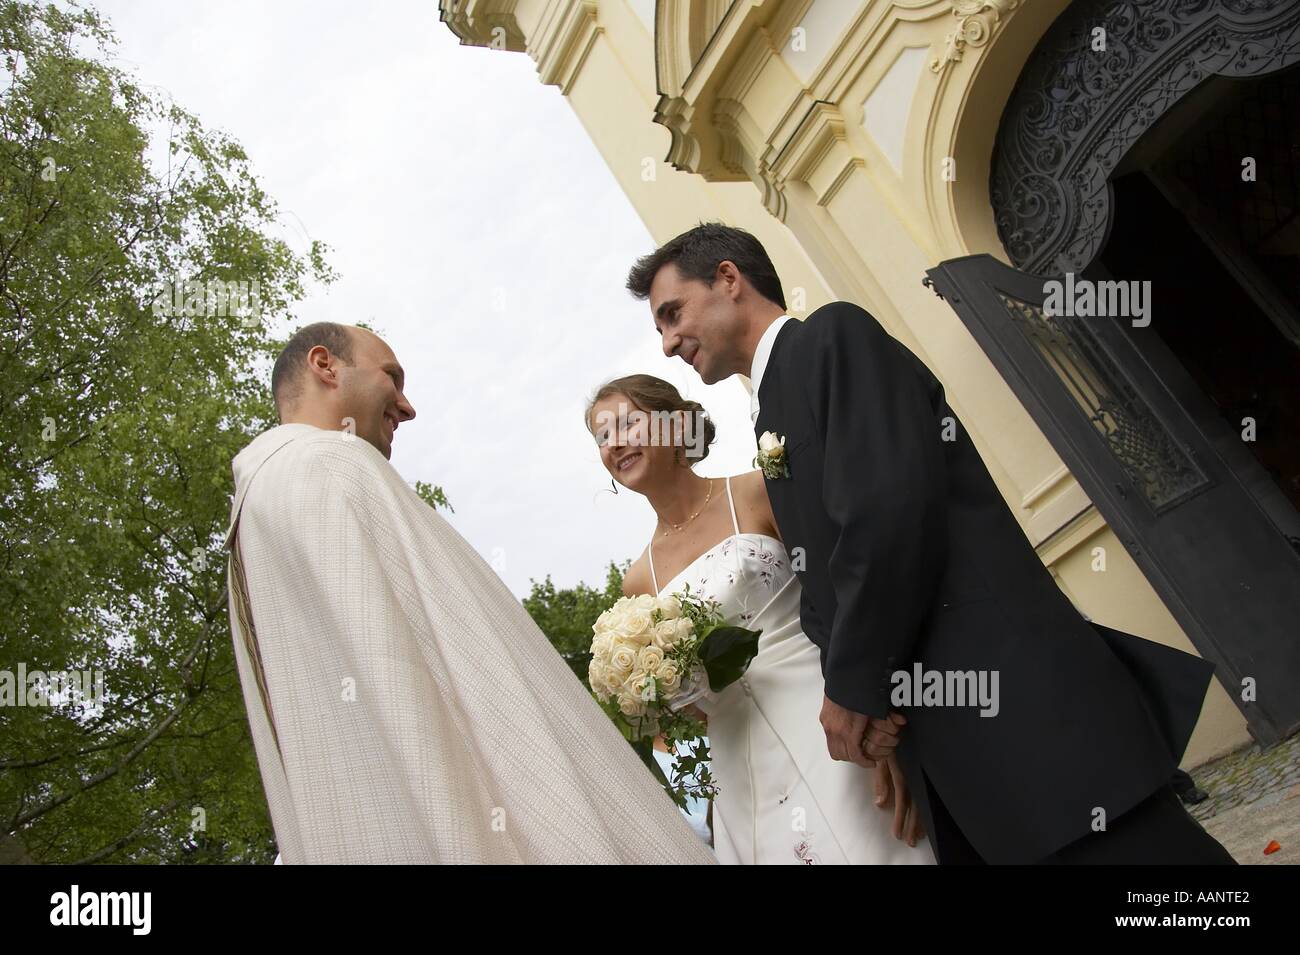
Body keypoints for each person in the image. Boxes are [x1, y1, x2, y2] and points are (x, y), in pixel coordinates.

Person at [625, 223, 1235, 864]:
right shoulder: (772, 412)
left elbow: (889, 516)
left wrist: (852, 691)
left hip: (1014, 701)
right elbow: (822, 584)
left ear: (727, 279)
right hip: (946, 739)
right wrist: (870, 715)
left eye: (673, 314)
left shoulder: (833, 339)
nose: (668, 344)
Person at [225, 322, 716, 864]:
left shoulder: (262, 501)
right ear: (325, 365)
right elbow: (461, 678)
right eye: (392, 376)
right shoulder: (331, 467)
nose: (407, 407)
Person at [587, 374, 936, 864]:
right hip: (738, 757)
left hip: (833, 719)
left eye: (626, 423)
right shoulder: (637, 581)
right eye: (602, 437)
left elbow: (840, 605)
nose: (614, 443)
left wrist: (882, 727)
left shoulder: (757, 492)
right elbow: (690, 705)